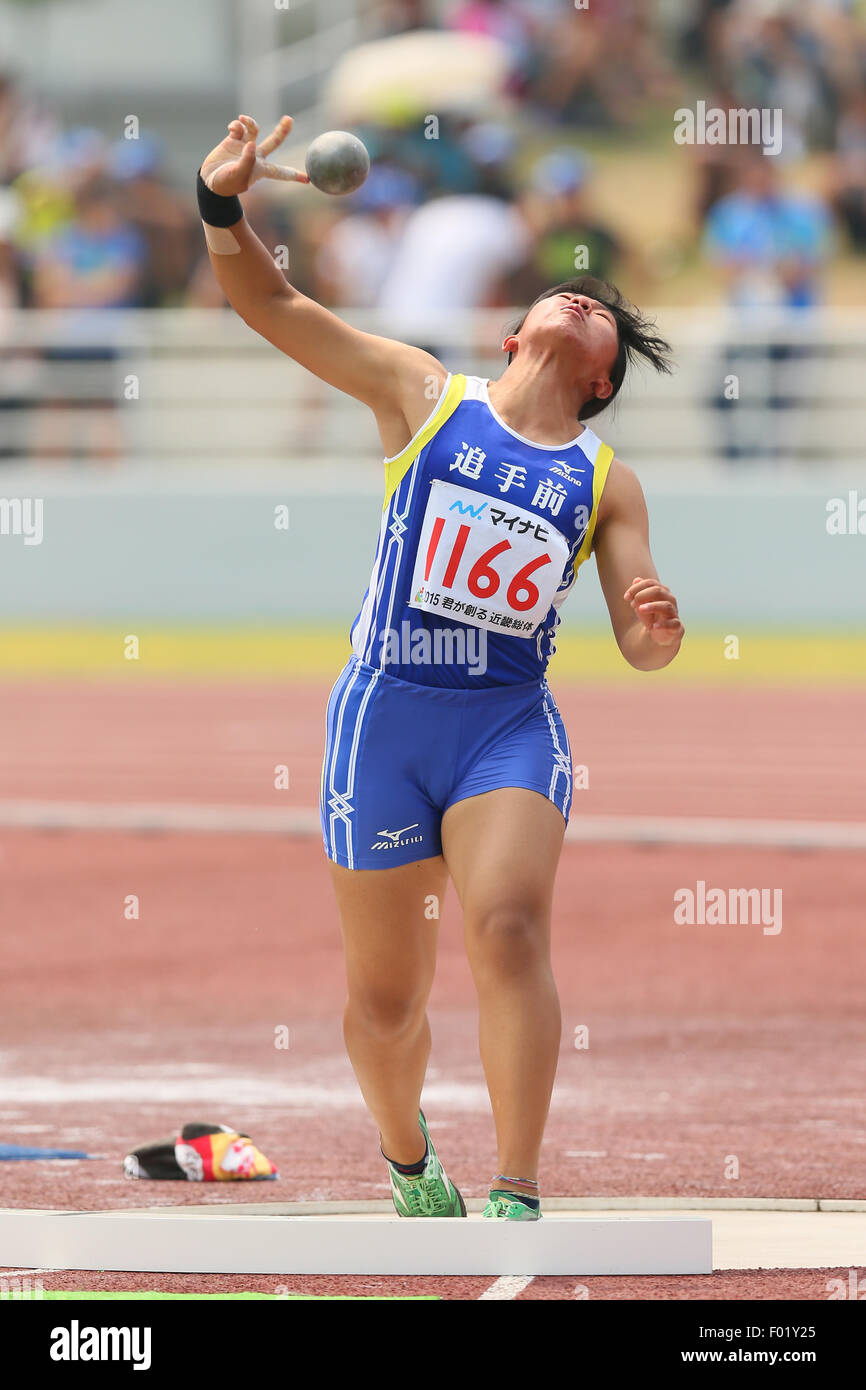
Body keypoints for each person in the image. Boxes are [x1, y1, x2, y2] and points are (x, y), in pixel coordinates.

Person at [197, 114, 684, 1221]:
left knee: (507, 925)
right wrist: (221, 208)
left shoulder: (607, 481)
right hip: (382, 721)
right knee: (383, 999)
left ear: (600, 378)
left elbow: (641, 643)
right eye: (566, 295)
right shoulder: (423, 398)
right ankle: (408, 1156)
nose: (582, 301)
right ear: (511, 335)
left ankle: (515, 1184)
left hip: (504, 723)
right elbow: (272, 307)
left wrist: (655, 626)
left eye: (601, 312)